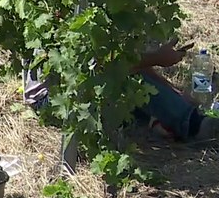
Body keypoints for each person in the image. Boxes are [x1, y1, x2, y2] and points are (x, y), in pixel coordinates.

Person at [25, 38, 219, 144]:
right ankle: (193, 126)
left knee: (130, 81)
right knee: (122, 79)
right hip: (52, 102)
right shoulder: (77, 3)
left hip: (82, 94)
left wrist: (174, 91)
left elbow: (132, 62)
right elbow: (102, 68)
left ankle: (161, 122)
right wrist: (158, 58)